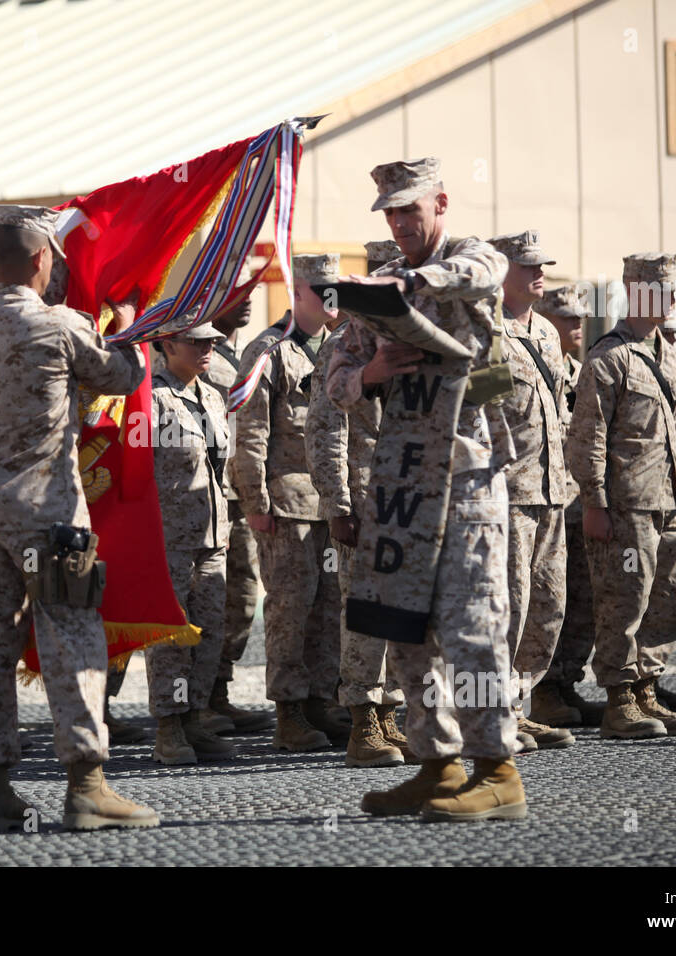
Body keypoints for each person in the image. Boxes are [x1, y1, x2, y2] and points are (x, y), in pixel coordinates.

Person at [328, 157, 526, 822]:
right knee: (405, 628)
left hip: (466, 477)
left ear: (440, 203)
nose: (399, 221)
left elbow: (483, 271)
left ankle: (497, 769)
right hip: (401, 482)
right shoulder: (378, 296)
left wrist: (416, 281)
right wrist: (371, 372)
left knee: (473, 627)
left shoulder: (465, 263)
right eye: (390, 213)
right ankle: (437, 764)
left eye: (410, 209)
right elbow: (336, 381)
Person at [0, 204, 158, 832]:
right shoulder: (60, 327)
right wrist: (127, 328)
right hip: (45, 513)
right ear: (42, 260)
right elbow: (122, 376)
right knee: (71, 638)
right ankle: (87, 785)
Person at [568, 253, 676, 739]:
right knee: (623, 601)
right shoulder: (609, 357)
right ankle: (619, 699)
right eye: (660, 289)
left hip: (671, 502)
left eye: (672, 289)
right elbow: (588, 438)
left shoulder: (672, 355)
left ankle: (647, 688)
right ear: (636, 291)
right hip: (626, 506)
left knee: (667, 599)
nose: (670, 298)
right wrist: (594, 503)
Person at [231, 253, 347, 751]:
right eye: (320, 291)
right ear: (297, 294)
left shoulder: (343, 349)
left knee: (329, 610)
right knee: (289, 612)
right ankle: (290, 712)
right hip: (287, 505)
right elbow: (250, 433)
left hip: (332, 505)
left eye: (334, 291)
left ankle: (325, 700)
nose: (331, 301)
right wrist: (255, 501)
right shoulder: (269, 350)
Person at [305, 246, 408, 767]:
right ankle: (363, 721)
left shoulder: (425, 339)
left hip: (415, 499)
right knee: (365, 612)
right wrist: (337, 504)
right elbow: (326, 428)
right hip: (366, 498)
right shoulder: (348, 343)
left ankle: (391, 713)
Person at [487, 231, 574, 751]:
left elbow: (559, 409)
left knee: (548, 603)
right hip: (509, 493)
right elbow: (480, 419)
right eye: (527, 266)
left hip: (552, 489)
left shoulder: (544, 332)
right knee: (509, 605)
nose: (539, 273)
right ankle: (495, 709)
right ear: (501, 271)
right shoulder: (487, 334)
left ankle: (520, 701)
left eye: (543, 265)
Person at [146, 311, 236, 764]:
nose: (208, 349)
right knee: (171, 637)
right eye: (197, 343)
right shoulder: (151, 401)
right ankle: (169, 727)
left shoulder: (214, 399)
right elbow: (132, 474)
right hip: (170, 538)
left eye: (212, 342)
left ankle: (195, 717)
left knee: (209, 633)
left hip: (213, 535)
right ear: (168, 346)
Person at [200, 268, 271, 733]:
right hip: (204, 499)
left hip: (242, 494)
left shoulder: (248, 352)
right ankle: (194, 698)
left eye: (252, 293)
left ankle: (218, 689)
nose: (247, 301)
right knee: (203, 598)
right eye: (235, 293)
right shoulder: (195, 351)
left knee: (242, 597)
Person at [530, 284, 603, 727]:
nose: (575, 326)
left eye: (580, 318)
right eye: (566, 318)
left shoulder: (581, 373)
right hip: (541, 500)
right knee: (541, 596)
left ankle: (566, 682)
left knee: (580, 597)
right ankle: (541, 689)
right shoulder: (524, 362)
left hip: (579, 500)